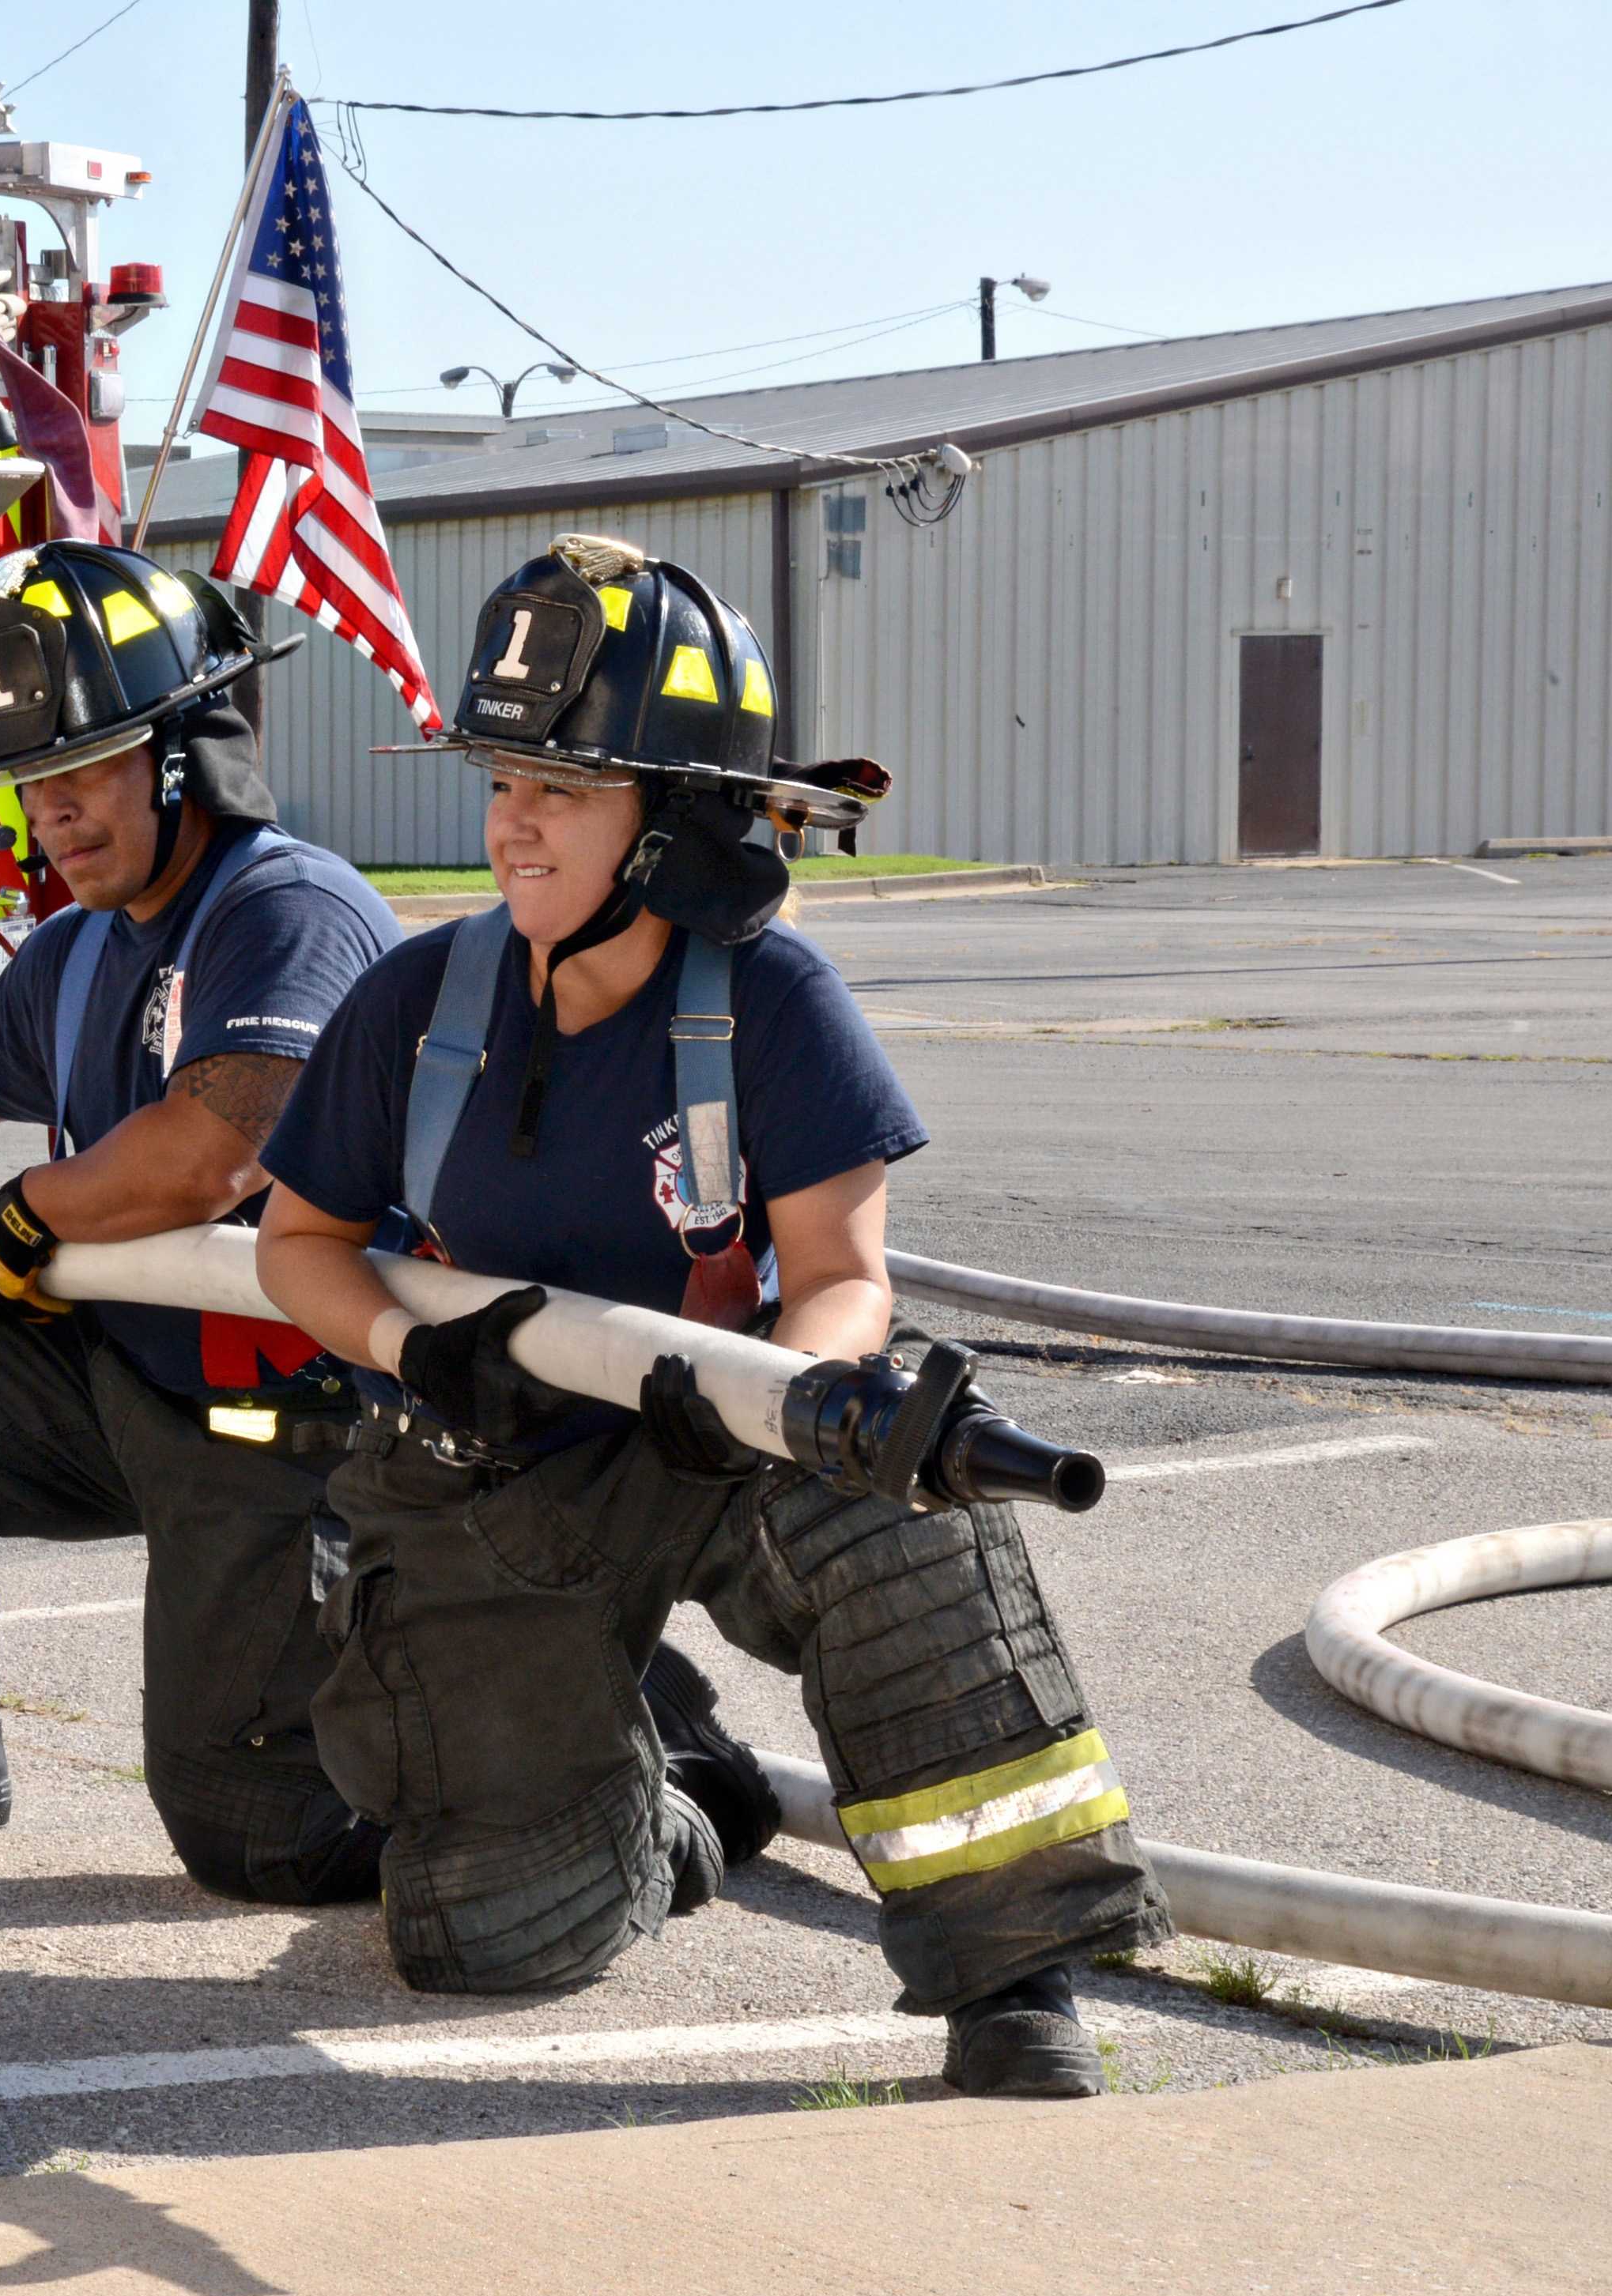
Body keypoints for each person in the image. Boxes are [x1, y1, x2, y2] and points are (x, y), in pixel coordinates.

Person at [253, 534, 1169, 2096]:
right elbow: (297, 1243)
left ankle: (1010, 1972)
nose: (509, 819)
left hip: (721, 1451)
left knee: (908, 1513)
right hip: (498, 1471)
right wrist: (413, 1347)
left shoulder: (769, 1001)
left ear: (676, 823)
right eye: (501, 778)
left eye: (561, 786)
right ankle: (678, 1798)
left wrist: (777, 1391)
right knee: (482, 1941)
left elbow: (838, 1275)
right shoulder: (416, 1004)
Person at [0, 540, 402, 1905]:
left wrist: (27, 1212)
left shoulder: (288, 912)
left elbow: (214, 1152)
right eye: (32, 784)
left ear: (185, 753)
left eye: (87, 769)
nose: (53, 813)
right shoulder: (78, 948)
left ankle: (600, 1769)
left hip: (298, 1426)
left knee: (262, 1839)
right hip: (132, 1380)